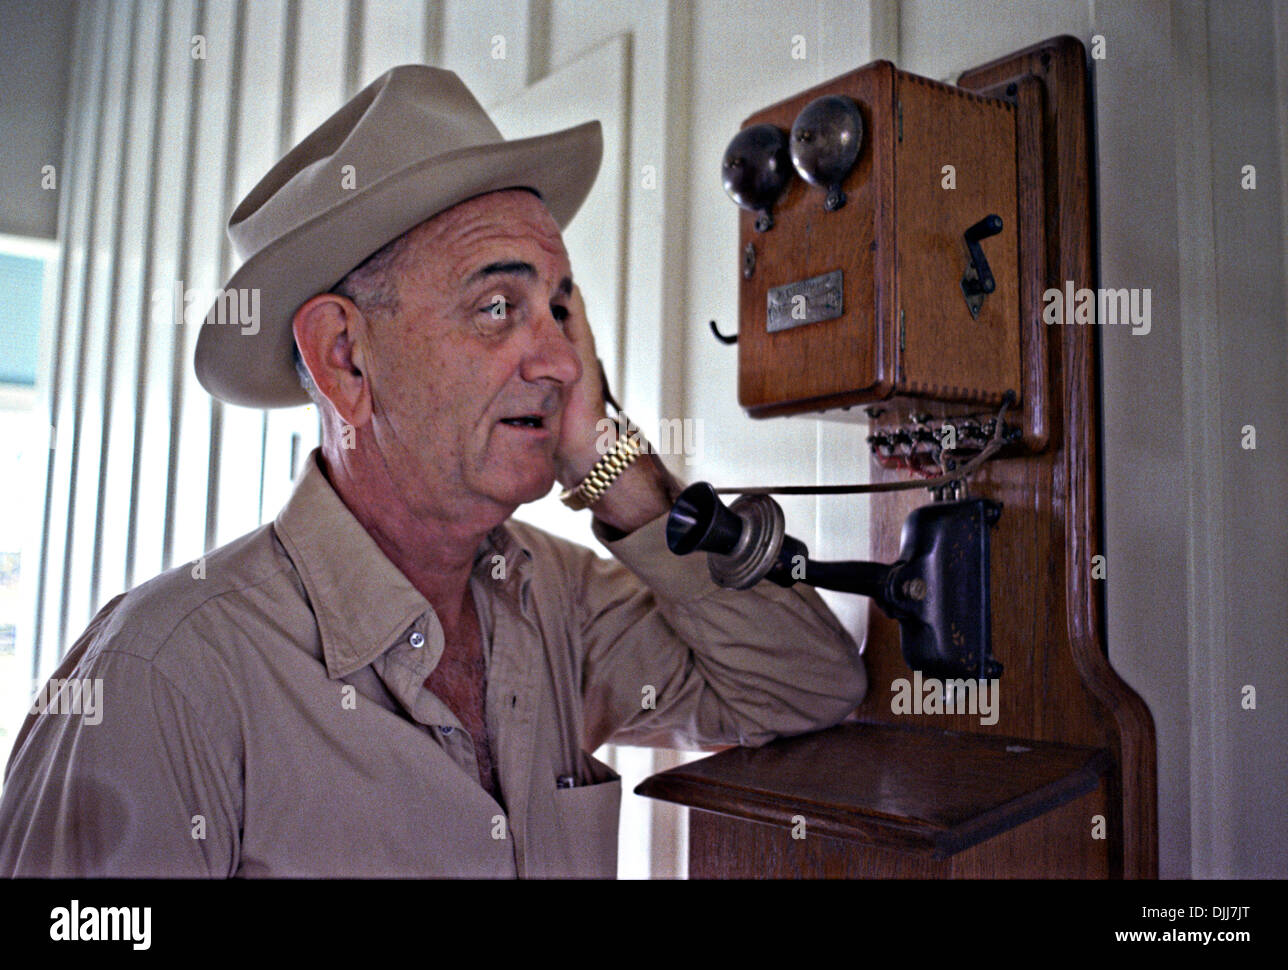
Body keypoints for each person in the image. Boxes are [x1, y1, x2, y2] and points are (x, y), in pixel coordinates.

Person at [0, 65, 865, 878]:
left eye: (560, 308)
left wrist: (610, 463)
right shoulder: (164, 675)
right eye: (498, 306)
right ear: (345, 358)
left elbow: (806, 688)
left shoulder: (557, 602)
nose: (564, 361)